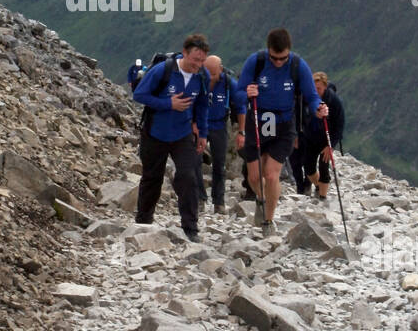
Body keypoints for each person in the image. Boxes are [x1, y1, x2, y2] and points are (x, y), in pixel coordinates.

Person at [238, 27, 328, 235]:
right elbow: (238, 94)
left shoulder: (298, 65)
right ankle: (261, 198)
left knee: (271, 174)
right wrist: (246, 93)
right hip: (257, 123)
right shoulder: (256, 62)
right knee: (253, 177)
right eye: (274, 58)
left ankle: (268, 221)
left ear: (289, 52)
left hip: (284, 125)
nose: (278, 62)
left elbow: (311, 96)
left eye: (283, 58)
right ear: (268, 51)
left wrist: (319, 108)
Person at [133, 34, 210, 240]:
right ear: (184, 53)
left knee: (188, 177)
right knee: (152, 178)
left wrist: (202, 133)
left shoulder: (202, 76)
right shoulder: (163, 71)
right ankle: (143, 222)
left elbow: (202, 105)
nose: (198, 64)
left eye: (202, 60)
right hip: (155, 132)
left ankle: (190, 228)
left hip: (183, 133)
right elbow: (139, 95)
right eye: (195, 59)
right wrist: (169, 104)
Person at [195, 55, 247, 214]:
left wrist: (241, 132)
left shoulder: (228, 83)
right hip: (199, 125)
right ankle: (199, 198)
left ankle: (219, 202)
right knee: (194, 161)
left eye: (214, 74)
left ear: (221, 69)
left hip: (219, 125)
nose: (210, 77)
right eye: (207, 73)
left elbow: (241, 107)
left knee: (219, 164)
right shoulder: (197, 79)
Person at [290, 71, 345, 201]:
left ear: (325, 87)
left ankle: (322, 197)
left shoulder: (334, 101)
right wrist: (296, 134)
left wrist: (330, 146)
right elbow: (298, 115)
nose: (316, 91)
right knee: (308, 167)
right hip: (310, 137)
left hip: (327, 139)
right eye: (313, 88)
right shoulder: (305, 97)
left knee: (323, 166)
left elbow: (340, 125)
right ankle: (318, 186)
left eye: (319, 88)